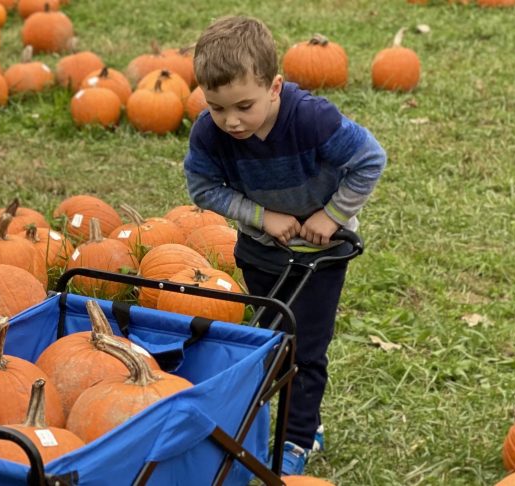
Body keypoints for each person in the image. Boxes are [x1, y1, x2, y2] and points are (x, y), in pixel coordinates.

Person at [184, 16, 387, 475]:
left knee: (305, 349)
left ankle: (298, 436)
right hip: (260, 250)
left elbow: (370, 160)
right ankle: (280, 417)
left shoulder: (312, 120)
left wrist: (331, 216)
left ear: (274, 87)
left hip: (321, 254)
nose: (231, 121)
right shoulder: (209, 133)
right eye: (217, 108)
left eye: (244, 106)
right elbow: (202, 188)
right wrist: (261, 217)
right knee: (270, 342)